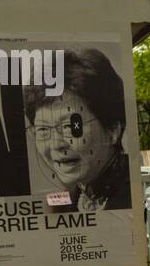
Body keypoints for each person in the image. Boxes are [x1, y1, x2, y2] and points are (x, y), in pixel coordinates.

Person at [23, 47, 132, 213]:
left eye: (70, 126)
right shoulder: (60, 201)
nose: (56, 144)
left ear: (112, 130)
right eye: (43, 129)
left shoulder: (134, 194)